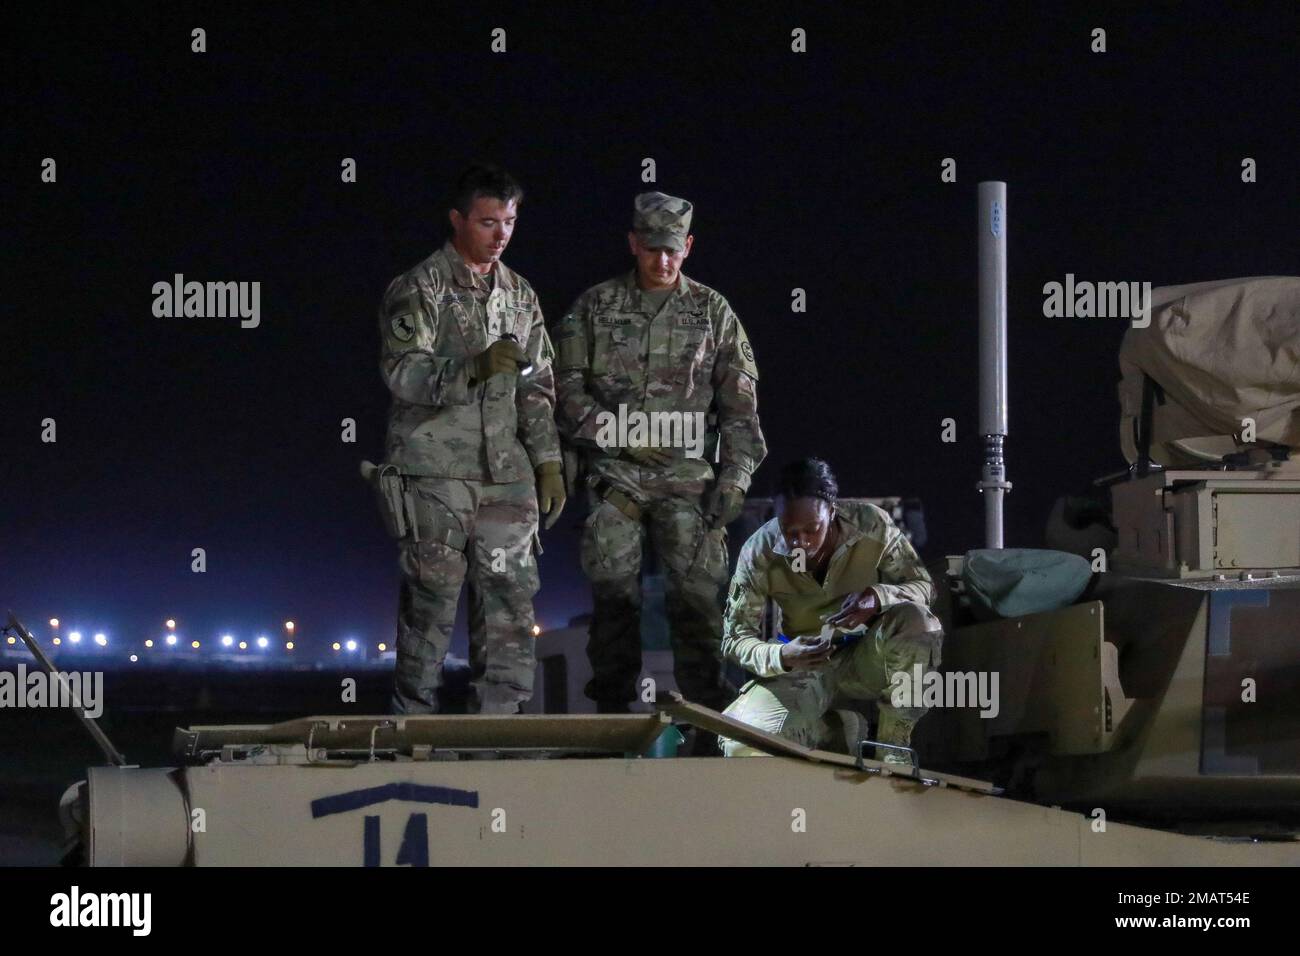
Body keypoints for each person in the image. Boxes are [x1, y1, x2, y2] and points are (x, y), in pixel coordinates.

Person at [553, 192, 766, 715]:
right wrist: (621, 434)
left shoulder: (713, 311)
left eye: (672, 250)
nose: (663, 261)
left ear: (688, 247)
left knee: (697, 601)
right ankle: (612, 717)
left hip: (690, 480)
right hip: (617, 477)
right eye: (652, 250)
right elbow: (562, 390)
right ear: (633, 244)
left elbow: (740, 407)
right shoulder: (594, 306)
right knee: (613, 600)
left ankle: (707, 720)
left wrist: (735, 478)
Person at [374, 164, 565, 714]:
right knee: (431, 603)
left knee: (510, 604)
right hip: (436, 474)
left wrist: (548, 463)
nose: (500, 234)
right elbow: (402, 372)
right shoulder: (419, 287)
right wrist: (471, 370)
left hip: (507, 475)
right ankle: (412, 732)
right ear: (457, 220)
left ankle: (499, 731)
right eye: (487, 222)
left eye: (509, 221)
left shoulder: (520, 295)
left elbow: (538, 386)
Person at [718, 458, 943, 763]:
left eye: (812, 529)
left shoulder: (871, 525)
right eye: (789, 530)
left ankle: (893, 751)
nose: (800, 542)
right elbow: (734, 639)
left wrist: (878, 596)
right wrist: (780, 656)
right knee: (742, 743)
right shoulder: (760, 551)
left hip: (869, 656)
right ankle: (841, 732)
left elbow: (923, 587)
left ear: (832, 511)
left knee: (918, 624)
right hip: (804, 666)